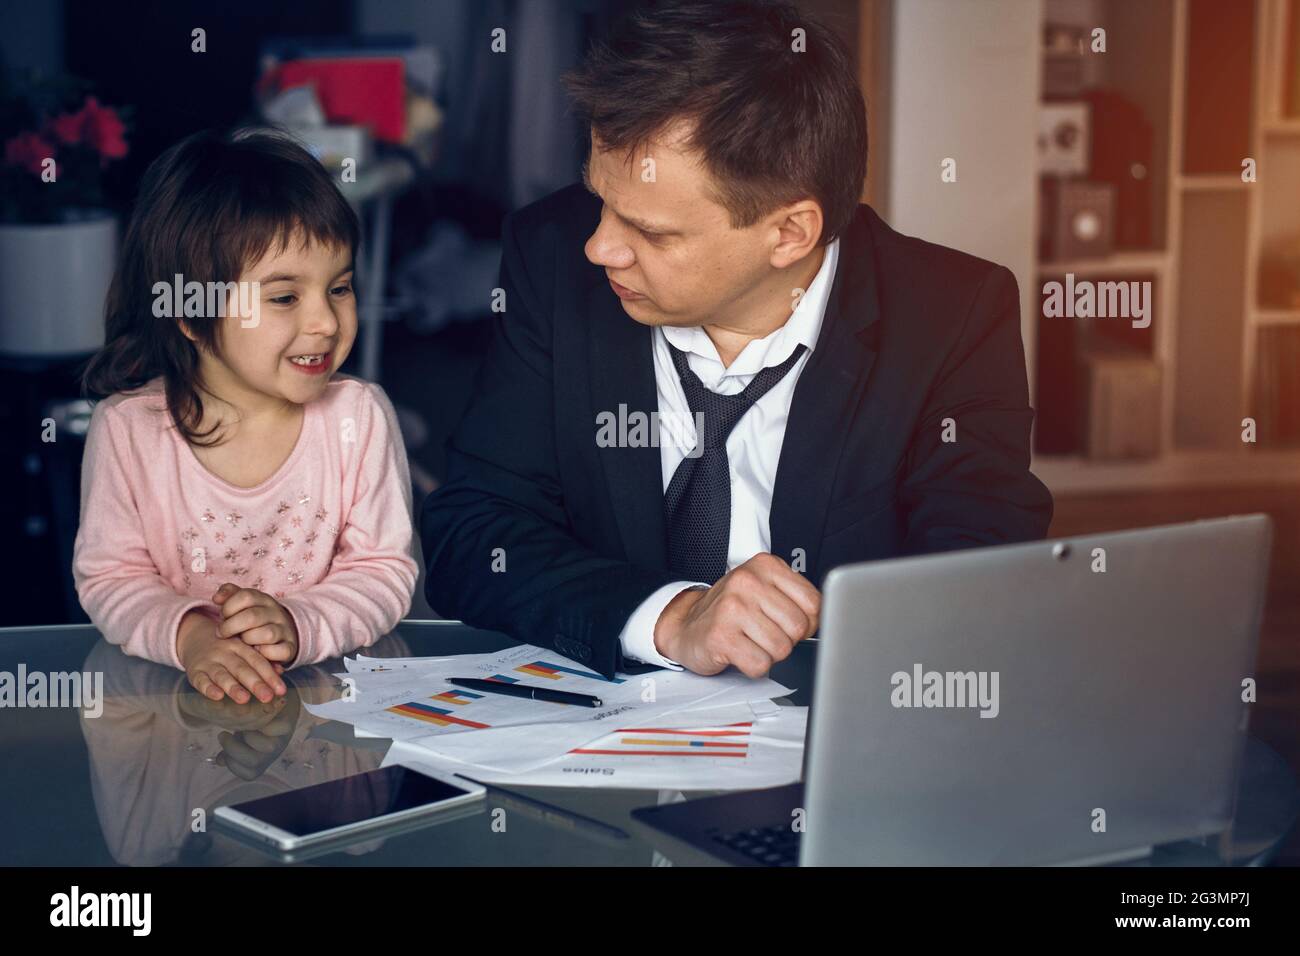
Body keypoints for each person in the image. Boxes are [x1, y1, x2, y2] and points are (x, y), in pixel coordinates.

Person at [421, 0, 1052, 680]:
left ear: (789, 234)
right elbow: (474, 535)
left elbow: (979, 577)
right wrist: (671, 616)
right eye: (600, 199)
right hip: (593, 725)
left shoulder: (952, 314)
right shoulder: (551, 257)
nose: (600, 246)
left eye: (652, 232)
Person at [74, 128, 418, 704]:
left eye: (339, 288)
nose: (326, 323)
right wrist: (191, 636)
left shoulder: (359, 418)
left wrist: (300, 623)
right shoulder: (126, 430)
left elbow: (384, 570)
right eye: (285, 298)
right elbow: (111, 579)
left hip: (324, 725)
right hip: (172, 742)